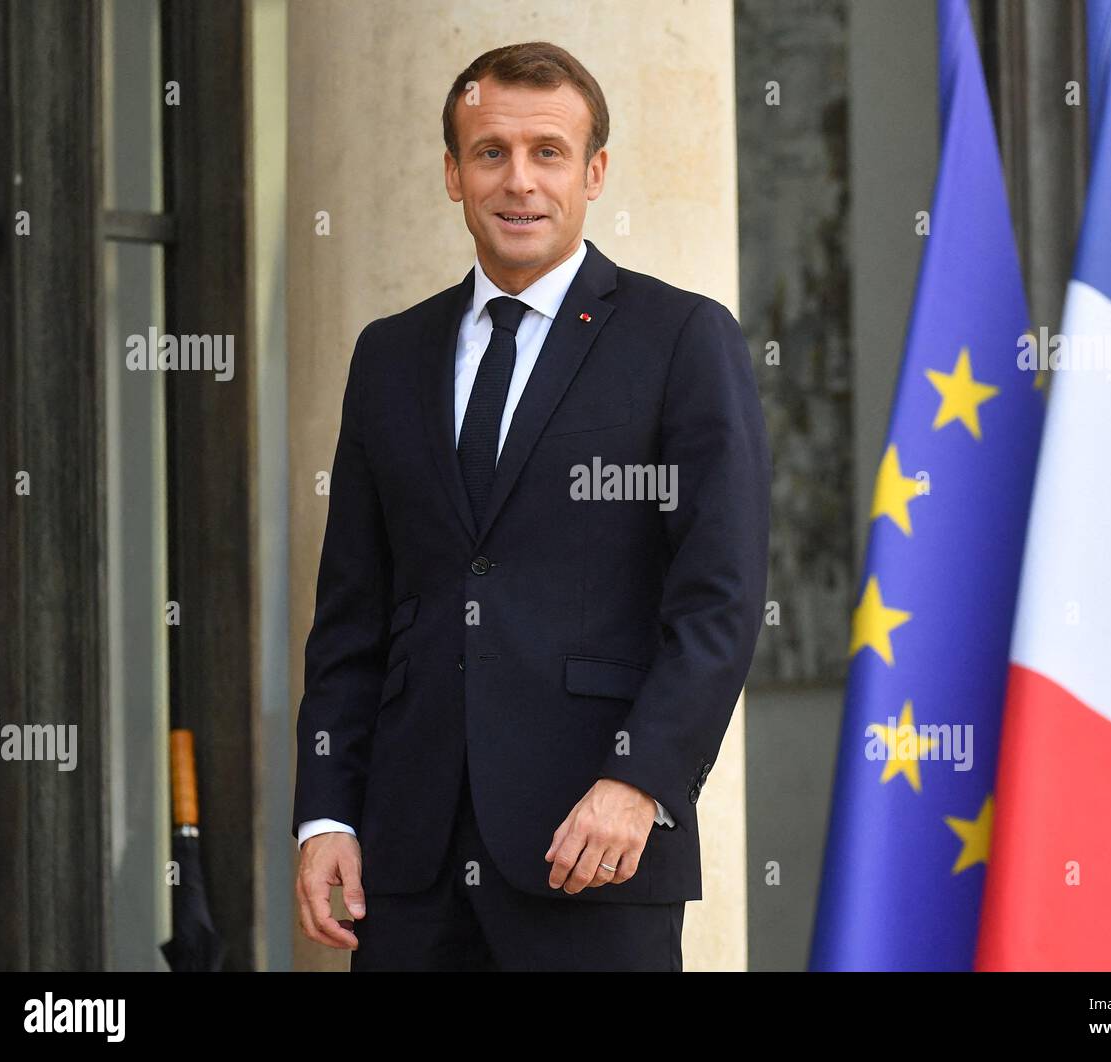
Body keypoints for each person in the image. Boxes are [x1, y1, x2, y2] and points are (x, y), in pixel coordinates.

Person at [292, 40, 771, 971]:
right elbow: (351, 618)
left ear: (594, 173)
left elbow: (718, 600)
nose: (520, 181)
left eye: (548, 152)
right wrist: (326, 811)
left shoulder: (681, 339)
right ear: (451, 172)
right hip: (408, 866)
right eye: (491, 152)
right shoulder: (388, 356)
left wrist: (641, 781)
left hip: (592, 850)